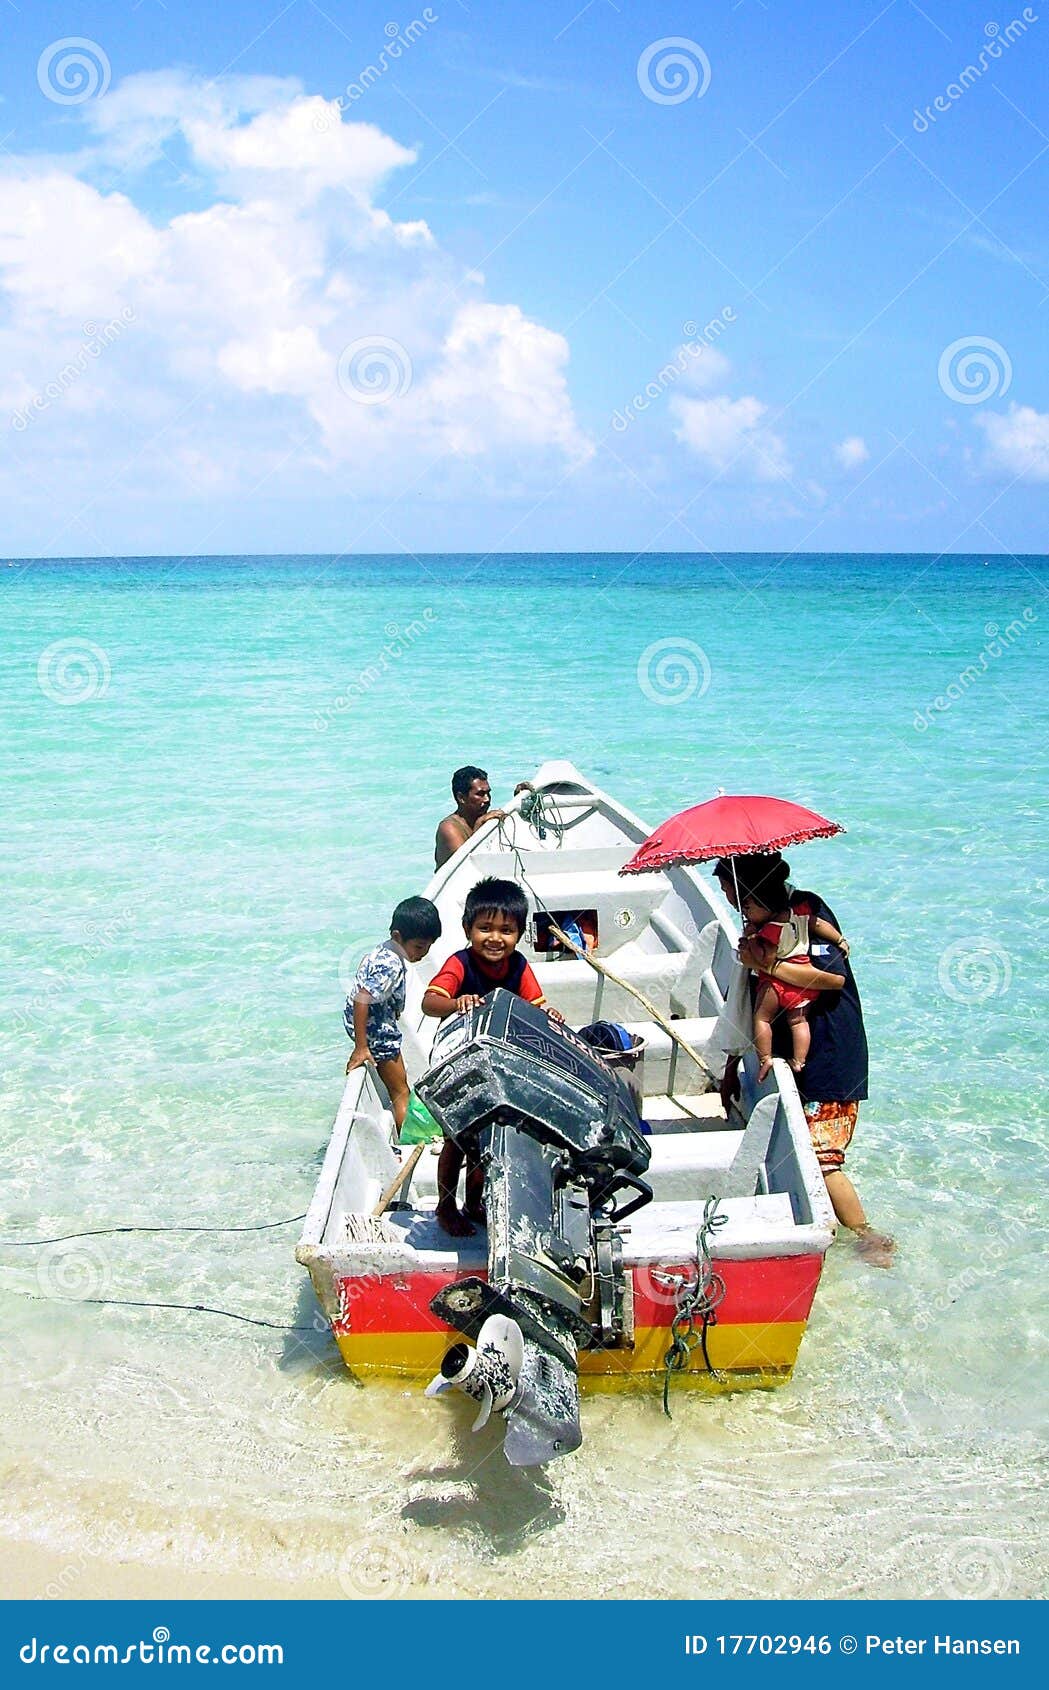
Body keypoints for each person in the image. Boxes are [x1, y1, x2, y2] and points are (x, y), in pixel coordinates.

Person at [715, 855, 894, 1270]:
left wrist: (768, 963)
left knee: (822, 1159)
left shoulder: (803, 915)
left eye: (730, 890)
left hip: (830, 1058)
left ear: (751, 892)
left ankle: (869, 1236)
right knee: (808, 1155)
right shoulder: (758, 929)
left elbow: (833, 978)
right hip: (794, 1058)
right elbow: (747, 1003)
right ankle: (832, 1234)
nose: (727, 899)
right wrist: (730, 1066)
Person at [422, 876, 564, 1236]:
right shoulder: (460, 963)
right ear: (468, 928)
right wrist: (457, 1003)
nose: (495, 938)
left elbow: (536, 1006)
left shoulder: (518, 966)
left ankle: (473, 1203)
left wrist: (549, 1015)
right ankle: (445, 1206)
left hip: (499, 1069)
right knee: (456, 1139)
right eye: (485, 928)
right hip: (460, 1065)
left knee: (485, 1139)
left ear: (519, 934)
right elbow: (429, 1002)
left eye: (506, 930)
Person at [736, 861, 846, 1081]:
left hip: (776, 985)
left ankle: (765, 1057)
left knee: (762, 1019)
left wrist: (750, 940)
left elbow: (764, 958)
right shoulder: (800, 914)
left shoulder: (770, 929)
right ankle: (799, 1060)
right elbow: (818, 925)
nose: (743, 910)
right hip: (803, 977)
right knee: (798, 1022)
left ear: (764, 905)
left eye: (747, 907)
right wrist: (839, 939)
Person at [344, 895, 442, 1133]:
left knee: (400, 1086)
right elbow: (361, 998)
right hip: (376, 1031)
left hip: (374, 1022)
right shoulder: (392, 965)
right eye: (419, 947)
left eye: (428, 947)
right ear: (398, 937)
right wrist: (361, 1047)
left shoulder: (382, 951)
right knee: (400, 1092)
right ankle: (411, 1138)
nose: (423, 953)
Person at [434, 767, 506, 869]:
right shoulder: (449, 828)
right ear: (461, 798)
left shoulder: (483, 817)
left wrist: (519, 797)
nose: (487, 799)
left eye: (488, 793)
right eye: (480, 794)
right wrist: (478, 825)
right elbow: (467, 867)